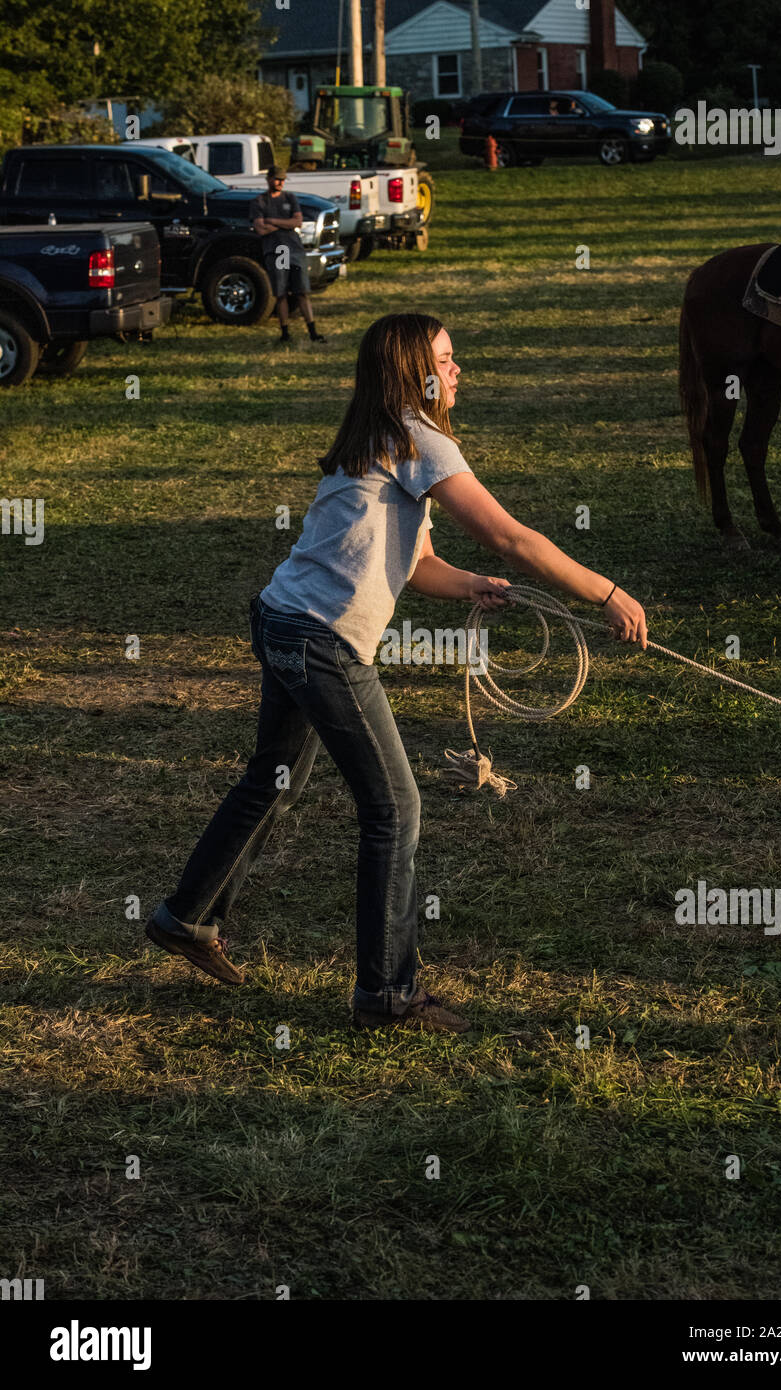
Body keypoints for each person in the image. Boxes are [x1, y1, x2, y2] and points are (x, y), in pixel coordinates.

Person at [144, 313, 647, 1034]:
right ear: (416, 374)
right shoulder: (419, 438)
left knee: (272, 779)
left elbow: (415, 561)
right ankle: (387, 994)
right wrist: (605, 592)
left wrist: (470, 584)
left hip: (280, 621)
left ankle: (184, 919)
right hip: (321, 642)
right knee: (394, 810)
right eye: (447, 357)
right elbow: (510, 536)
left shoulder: (380, 434)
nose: (458, 369)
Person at [249, 165, 326, 347]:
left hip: (295, 248)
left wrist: (273, 221)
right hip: (278, 250)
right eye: (277, 179)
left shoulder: (290, 197)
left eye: (283, 179)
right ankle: (285, 332)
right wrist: (286, 224)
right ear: (268, 179)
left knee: (302, 291)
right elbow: (260, 228)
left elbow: (297, 221)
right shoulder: (259, 201)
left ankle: (312, 331)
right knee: (281, 291)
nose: (280, 182)